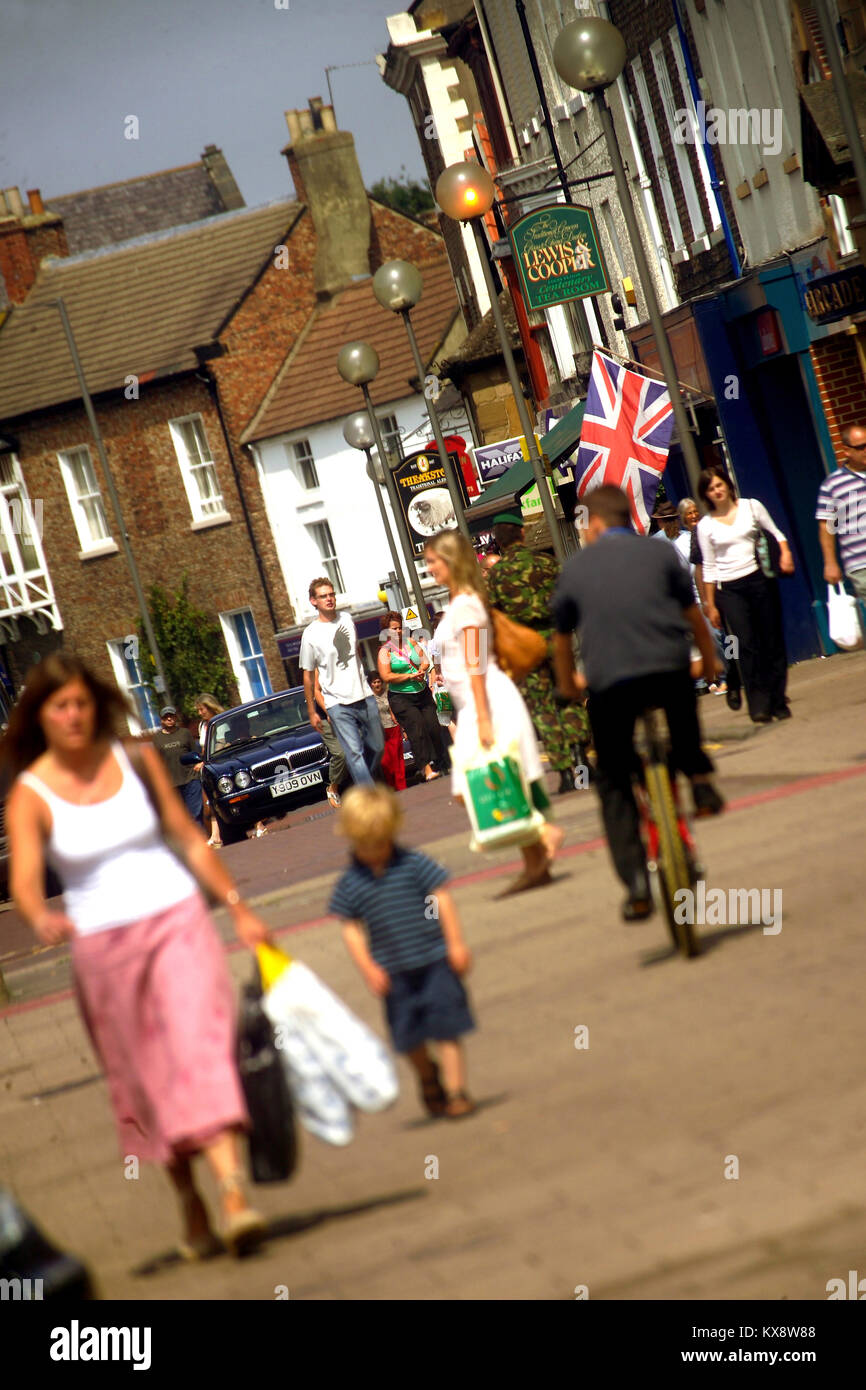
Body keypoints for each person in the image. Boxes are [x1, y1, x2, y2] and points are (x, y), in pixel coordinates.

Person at [2, 654, 269, 1258]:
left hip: (177, 920)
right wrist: (40, 914)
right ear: (40, 717)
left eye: (81, 703)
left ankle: (231, 1191)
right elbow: (22, 880)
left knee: (201, 1047)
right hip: (103, 948)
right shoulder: (31, 793)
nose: (73, 715)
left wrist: (237, 905)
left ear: (96, 705)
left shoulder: (137, 760)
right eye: (59, 706)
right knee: (147, 1082)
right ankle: (189, 1197)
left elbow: (186, 836)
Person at [552, 484, 725, 922]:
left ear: (592, 525)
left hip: (610, 684)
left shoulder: (574, 570)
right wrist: (708, 662)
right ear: (629, 518)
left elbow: (560, 638)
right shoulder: (662, 554)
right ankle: (701, 782)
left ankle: (635, 886)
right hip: (668, 670)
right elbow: (693, 617)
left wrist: (568, 686)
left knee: (613, 779)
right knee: (682, 712)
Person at [424, 529, 564, 894]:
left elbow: (476, 663)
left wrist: (482, 717)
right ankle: (535, 863)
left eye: (433, 562)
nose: (430, 570)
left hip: (484, 699)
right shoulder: (464, 601)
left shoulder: (467, 604)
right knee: (501, 776)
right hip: (479, 700)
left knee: (478, 782)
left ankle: (544, 833)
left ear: (451, 561)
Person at [329, 784, 475, 1118]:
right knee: (408, 1038)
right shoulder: (351, 882)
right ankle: (428, 1075)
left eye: (381, 842)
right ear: (352, 838)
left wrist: (453, 943)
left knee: (446, 1026)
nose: (376, 851)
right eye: (367, 845)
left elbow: (441, 897)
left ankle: (456, 1091)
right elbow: (350, 928)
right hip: (393, 972)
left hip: (435, 960)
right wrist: (368, 968)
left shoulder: (412, 863)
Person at [487, 510, 591, 795]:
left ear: (498, 541)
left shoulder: (496, 576)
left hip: (524, 649)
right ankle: (582, 763)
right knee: (569, 699)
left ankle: (565, 774)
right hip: (557, 641)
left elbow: (493, 619)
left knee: (543, 710)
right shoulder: (546, 563)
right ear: (522, 533)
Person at [697, 468, 794, 724]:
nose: (717, 491)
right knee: (746, 644)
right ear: (706, 495)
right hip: (729, 589)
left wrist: (784, 554)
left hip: (760, 579)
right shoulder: (705, 525)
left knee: (771, 641)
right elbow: (709, 566)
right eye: (710, 488)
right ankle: (759, 705)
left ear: (728, 485)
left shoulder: (752, 507)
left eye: (719, 485)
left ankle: (778, 699)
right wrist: (710, 605)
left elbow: (776, 533)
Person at [300, 577, 383, 786]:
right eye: (323, 596)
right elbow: (308, 675)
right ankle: (369, 796)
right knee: (353, 752)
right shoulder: (310, 634)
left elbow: (355, 651)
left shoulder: (346, 619)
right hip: (336, 703)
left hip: (363, 694)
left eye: (331, 594)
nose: (329, 599)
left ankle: (362, 780)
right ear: (313, 601)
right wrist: (312, 711)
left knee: (378, 746)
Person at [653, 500, 727, 696]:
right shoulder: (659, 542)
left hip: (701, 592)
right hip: (679, 598)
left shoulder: (688, 537)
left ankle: (726, 674)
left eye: (671, 519)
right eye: (665, 520)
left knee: (715, 634)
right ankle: (704, 680)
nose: (668, 524)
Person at [376, 612, 445, 782]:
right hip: (401, 697)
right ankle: (426, 768)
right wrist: (408, 677)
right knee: (417, 729)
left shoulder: (412, 642)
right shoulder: (385, 652)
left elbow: (425, 661)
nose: (398, 631)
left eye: (400, 627)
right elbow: (386, 676)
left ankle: (440, 762)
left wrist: (421, 670)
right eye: (394, 628)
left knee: (433, 727)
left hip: (421, 692)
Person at [816, 421, 866, 640]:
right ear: (846, 450)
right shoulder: (832, 485)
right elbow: (827, 526)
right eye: (861, 446)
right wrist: (830, 562)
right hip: (861, 563)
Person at [151, 705, 202, 824]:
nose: (169, 719)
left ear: (175, 717)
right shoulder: (157, 738)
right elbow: (156, 762)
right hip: (172, 783)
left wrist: (199, 764)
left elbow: (195, 753)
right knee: (181, 817)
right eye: (166, 717)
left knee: (195, 814)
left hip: (191, 778)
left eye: (171, 716)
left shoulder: (185, 733)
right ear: (161, 719)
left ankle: (201, 840)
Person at [312, 669, 347, 810]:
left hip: (348, 711)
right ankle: (333, 787)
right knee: (340, 754)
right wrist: (328, 712)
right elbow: (316, 690)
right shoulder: (319, 665)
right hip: (327, 717)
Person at [367, 670, 407, 791]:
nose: (377, 684)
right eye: (374, 682)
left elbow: (395, 711)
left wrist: (403, 729)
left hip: (393, 728)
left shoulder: (388, 694)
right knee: (385, 762)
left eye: (379, 681)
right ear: (370, 684)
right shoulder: (368, 699)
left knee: (398, 760)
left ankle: (402, 786)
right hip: (379, 732)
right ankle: (391, 787)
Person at [194, 693, 224, 847]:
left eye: (202, 709)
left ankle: (259, 825)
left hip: (220, 763)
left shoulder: (220, 720)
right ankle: (215, 835)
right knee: (211, 801)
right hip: (208, 766)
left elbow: (221, 743)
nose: (200, 713)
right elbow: (204, 747)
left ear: (210, 706)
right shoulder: (202, 725)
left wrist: (206, 761)